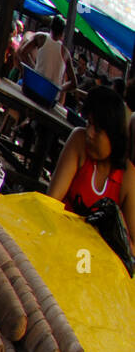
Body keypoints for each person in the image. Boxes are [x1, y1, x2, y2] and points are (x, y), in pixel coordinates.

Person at [47, 86, 135, 241]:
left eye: (98, 130)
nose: (89, 133)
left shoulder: (128, 176)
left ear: (114, 136)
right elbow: (51, 201)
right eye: (89, 123)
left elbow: (133, 244)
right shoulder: (78, 141)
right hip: (57, 236)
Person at [18, 15, 75, 101]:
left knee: (19, 83)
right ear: (63, 32)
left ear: (50, 27)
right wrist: (58, 88)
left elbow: (22, 52)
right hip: (50, 99)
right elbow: (74, 83)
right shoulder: (66, 53)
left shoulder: (41, 37)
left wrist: (34, 69)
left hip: (33, 90)